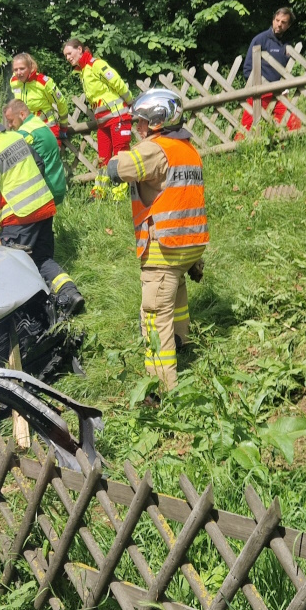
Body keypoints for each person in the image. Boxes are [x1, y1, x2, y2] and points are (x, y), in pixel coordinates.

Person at [107, 88, 207, 393]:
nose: (137, 128)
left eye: (139, 122)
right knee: (176, 300)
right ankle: (183, 344)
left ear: (155, 122)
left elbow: (117, 170)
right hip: (189, 244)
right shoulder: (186, 148)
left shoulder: (153, 149)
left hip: (163, 247)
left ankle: (163, 388)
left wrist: (117, 151)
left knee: (154, 315)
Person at [0, 106, 84, 317]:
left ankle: (36, 316)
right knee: (42, 260)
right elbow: (38, 163)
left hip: (19, 217)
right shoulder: (14, 137)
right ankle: (70, 295)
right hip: (44, 208)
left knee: (16, 270)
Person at [62, 38, 132, 201]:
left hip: (118, 116)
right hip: (103, 121)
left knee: (120, 156)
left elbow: (117, 82)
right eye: (65, 55)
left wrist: (130, 102)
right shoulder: (83, 71)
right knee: (103, 158)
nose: (67, 58)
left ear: (80, 49)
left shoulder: (96, 65)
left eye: (69, 53)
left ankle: (119, 194)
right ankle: (99, 192)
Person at [239, 7, 302, 132]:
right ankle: (238, 150)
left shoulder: (287, 44)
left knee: (292, 123)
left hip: (280, 93)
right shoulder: (260, 39)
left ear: (288, 25)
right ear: (273, 20)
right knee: (247, 128)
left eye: (283, 22)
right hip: (259, 93)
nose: (279, 24)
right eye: (277, 20)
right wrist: (257, 87)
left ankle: (286, 149)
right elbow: (247, 69)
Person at [4, 99, 67, 206]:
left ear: (22, 114)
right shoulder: (39, 123)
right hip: (58, 185)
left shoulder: (25, 133)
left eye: (11, 121)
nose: (9, 125)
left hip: (45, 191)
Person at [9, 52, 68, 138]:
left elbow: (61, 102)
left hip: (47, 129)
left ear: (30, 67)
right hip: (27, 130)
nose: (18, 72)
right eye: (15, 69)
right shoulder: (13, 82)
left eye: (22, 69)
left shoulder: (44, 82)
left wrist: (64, 127)